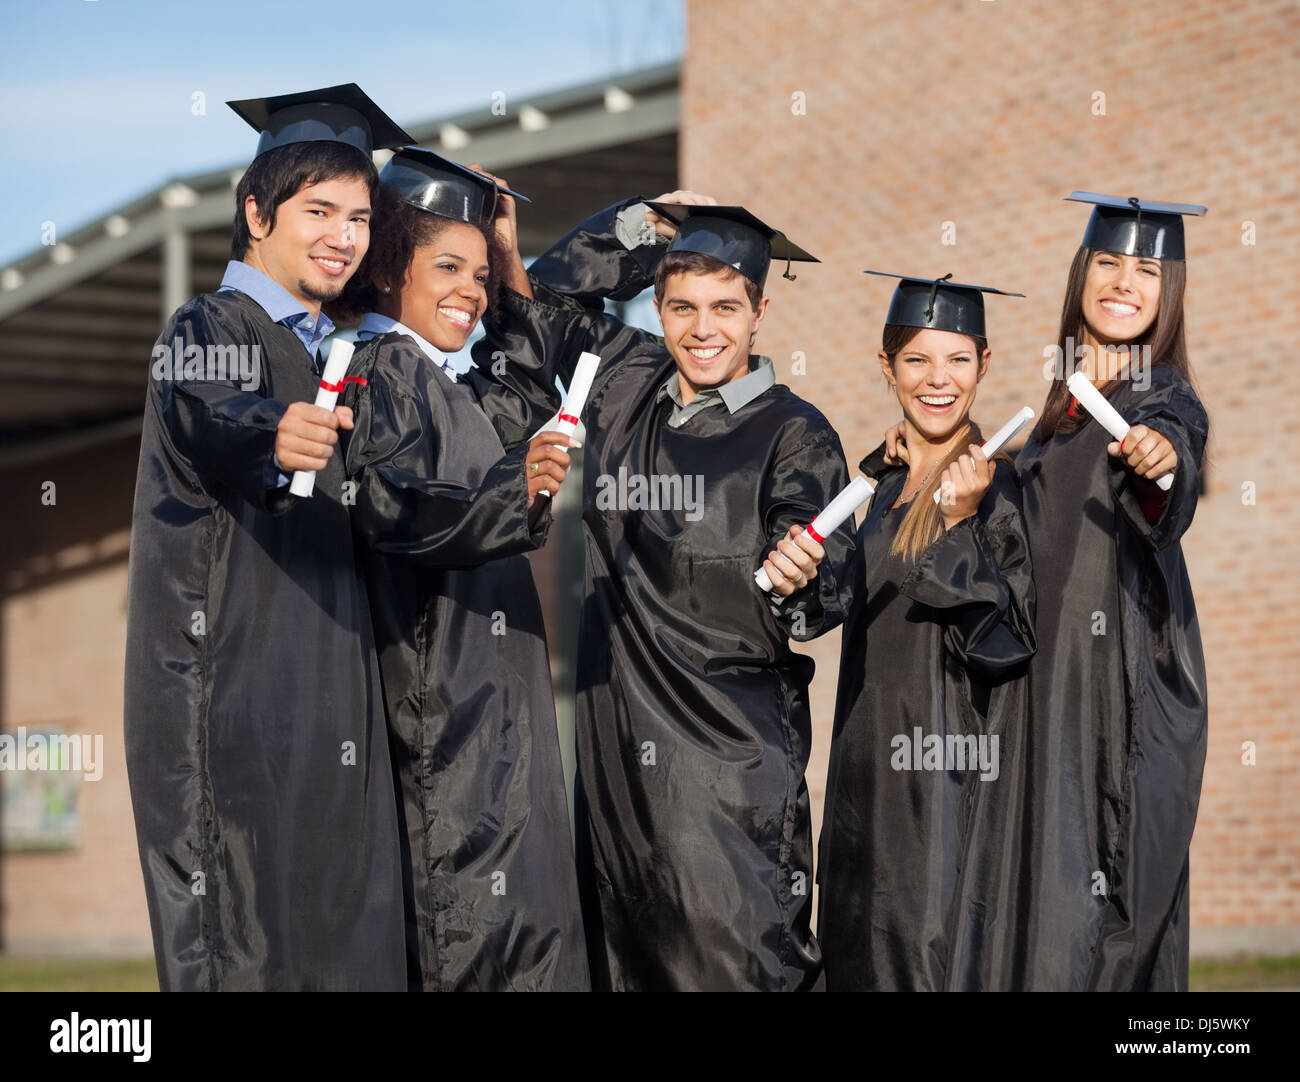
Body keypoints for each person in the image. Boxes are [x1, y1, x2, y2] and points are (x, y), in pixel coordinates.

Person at [473, 197, 855, 991]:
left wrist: (802, 571)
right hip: (616, 749)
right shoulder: (624, 380)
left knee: (739, 960)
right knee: (626, 957)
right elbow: (542, 307)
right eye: (680, 306)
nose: (702, 328)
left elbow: (820, 558)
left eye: (725, 307)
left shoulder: (796, 431)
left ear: (760, 311)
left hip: (728, 757)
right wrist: (638, 231)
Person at [123, 84, 411, 991]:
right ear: (256, 213)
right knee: (248, 946)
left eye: (360, 217)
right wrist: (270, 432)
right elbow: (213, 412)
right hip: (233, 693)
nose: (344, 235)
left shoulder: (350, 354)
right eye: (318, 210)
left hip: (338, 691)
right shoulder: (210, 329)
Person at [332, 148, 589, 991]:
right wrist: (512, 492)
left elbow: (520, 382)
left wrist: (509, 259)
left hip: (493, 709)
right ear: (386, 269)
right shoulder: (379, 374)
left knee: (528, 938)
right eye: (449, 266)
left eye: (478, 276)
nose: (471, 293)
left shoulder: (447, 381)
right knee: (476, 945)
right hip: (445, 716)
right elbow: (396, 506)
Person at [1009, 192, 1210, 990]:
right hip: (1045, 700)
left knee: (1106, 924)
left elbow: (1171, 472)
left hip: (1116, 700)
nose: (1125, 281)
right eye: (1108, 261)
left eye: (1147, 269)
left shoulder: (1160, 396)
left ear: (1170, 293)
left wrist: (1163, 463)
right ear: (1081, 274)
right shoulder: (1050, 418)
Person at [816, 272, 1035, 991]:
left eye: (958, 360)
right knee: (857, 948)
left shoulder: (1003, 490)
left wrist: (958, 525)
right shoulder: (878, 490)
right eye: (916, 360)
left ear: (985, 365)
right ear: (888, 368)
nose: (937, 380)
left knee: (928, 958)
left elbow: (1005, 647)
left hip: (946, 773)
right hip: (862, 771)